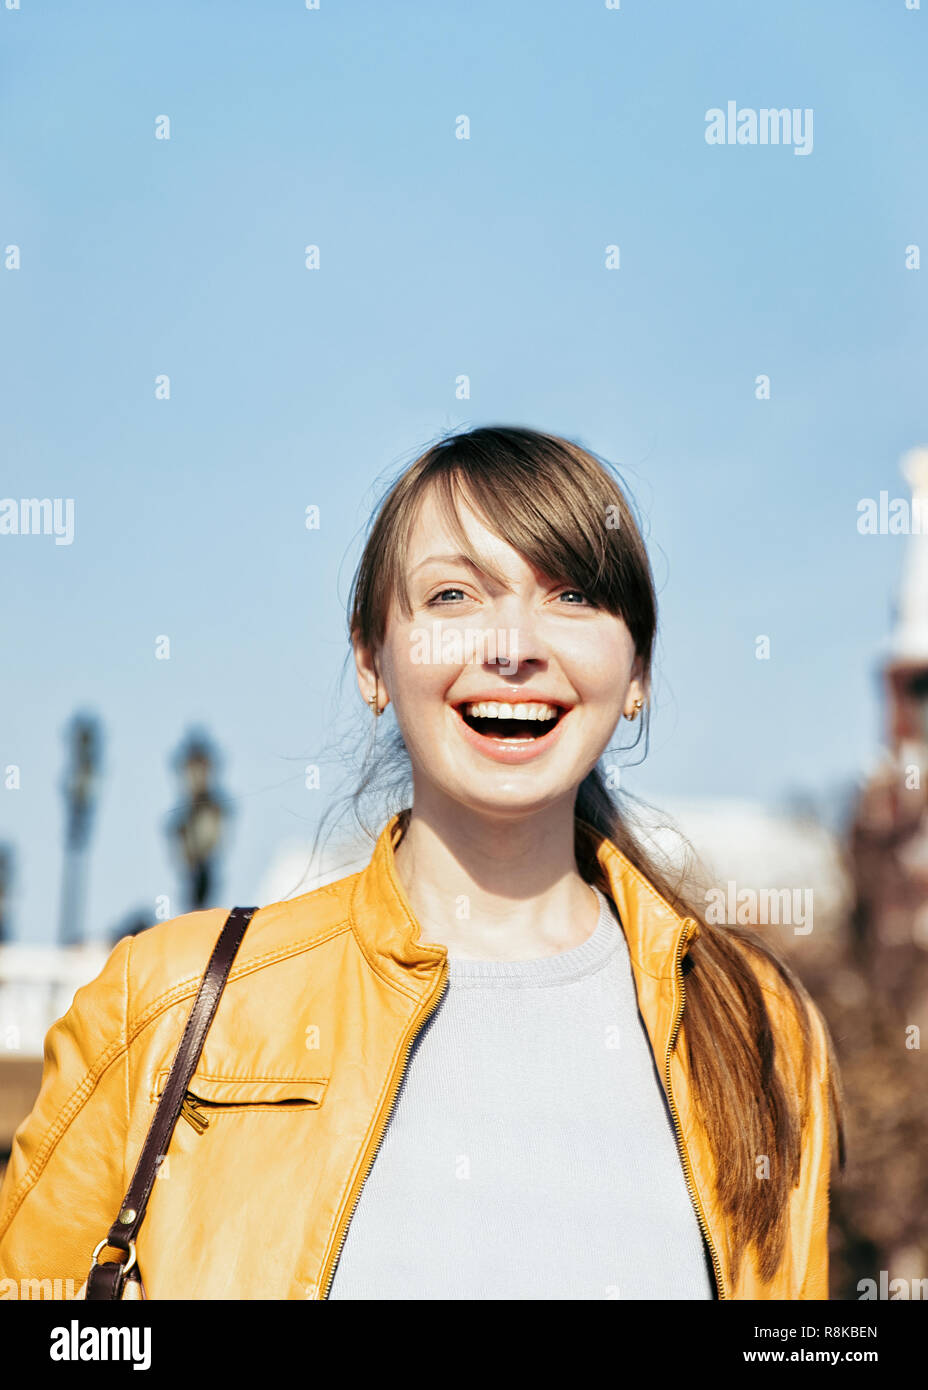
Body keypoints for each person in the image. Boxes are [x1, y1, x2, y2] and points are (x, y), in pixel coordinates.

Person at [0, 425, 844, 1300]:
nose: (513, 646)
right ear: (372, 658)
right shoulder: (167, 1008)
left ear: (638, 671)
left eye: (575, 595)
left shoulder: (760, 1026)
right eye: (453, 596)